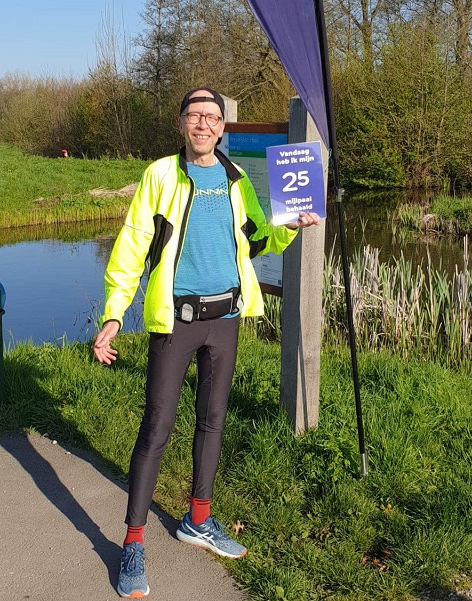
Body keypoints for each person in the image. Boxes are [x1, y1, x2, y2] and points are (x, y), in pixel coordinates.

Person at [93, 88, 319, 599]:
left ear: (222, 129)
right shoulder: (160, 175)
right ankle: (132, 542)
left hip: (227, 318)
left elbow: (259, 238)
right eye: (195, 116)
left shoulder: (237, 179)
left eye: (212, 118)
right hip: (177, 321)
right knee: (157, 428)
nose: (204, 124)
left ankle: (198, 519)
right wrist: (114, 312)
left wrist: (293, 227)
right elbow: (132, 246)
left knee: (213, 420)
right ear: (181, 125)